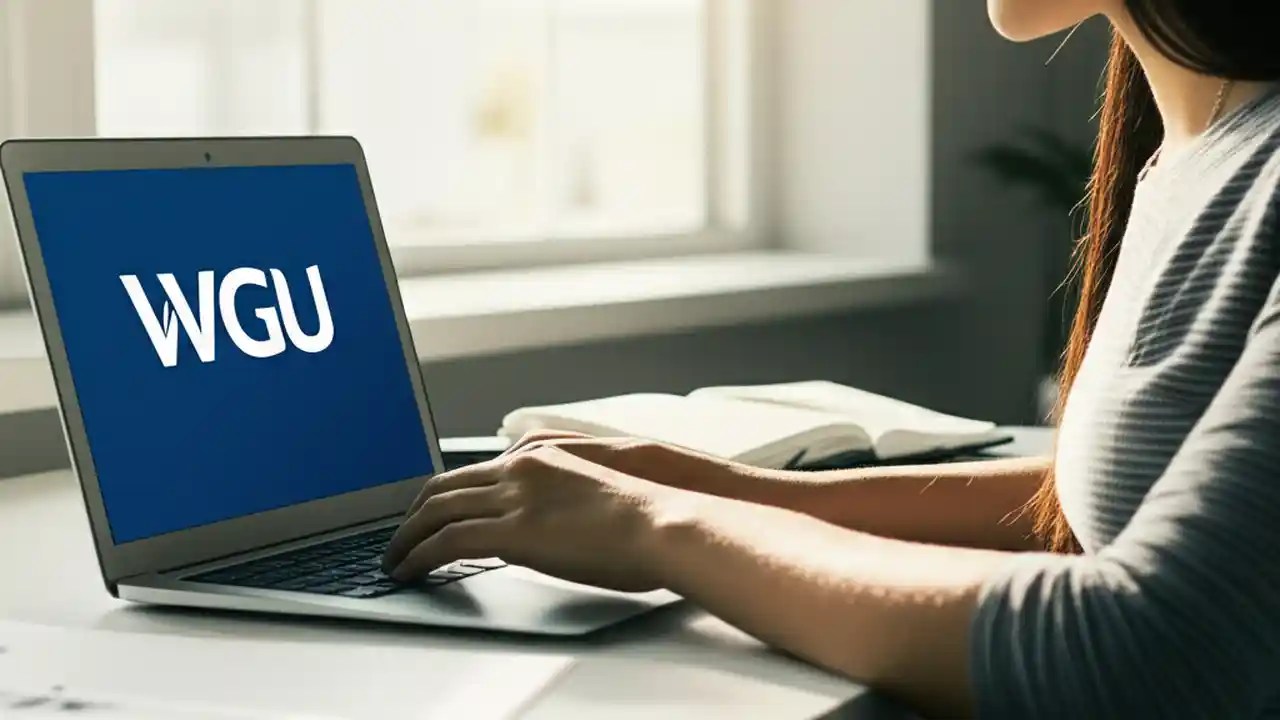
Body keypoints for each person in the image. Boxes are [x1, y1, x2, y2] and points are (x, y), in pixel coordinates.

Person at [384, 1, 1280, 716]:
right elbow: (1129, 507)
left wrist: (656, 529)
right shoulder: (1202, 152)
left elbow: (1157, 655)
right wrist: (717, 488)